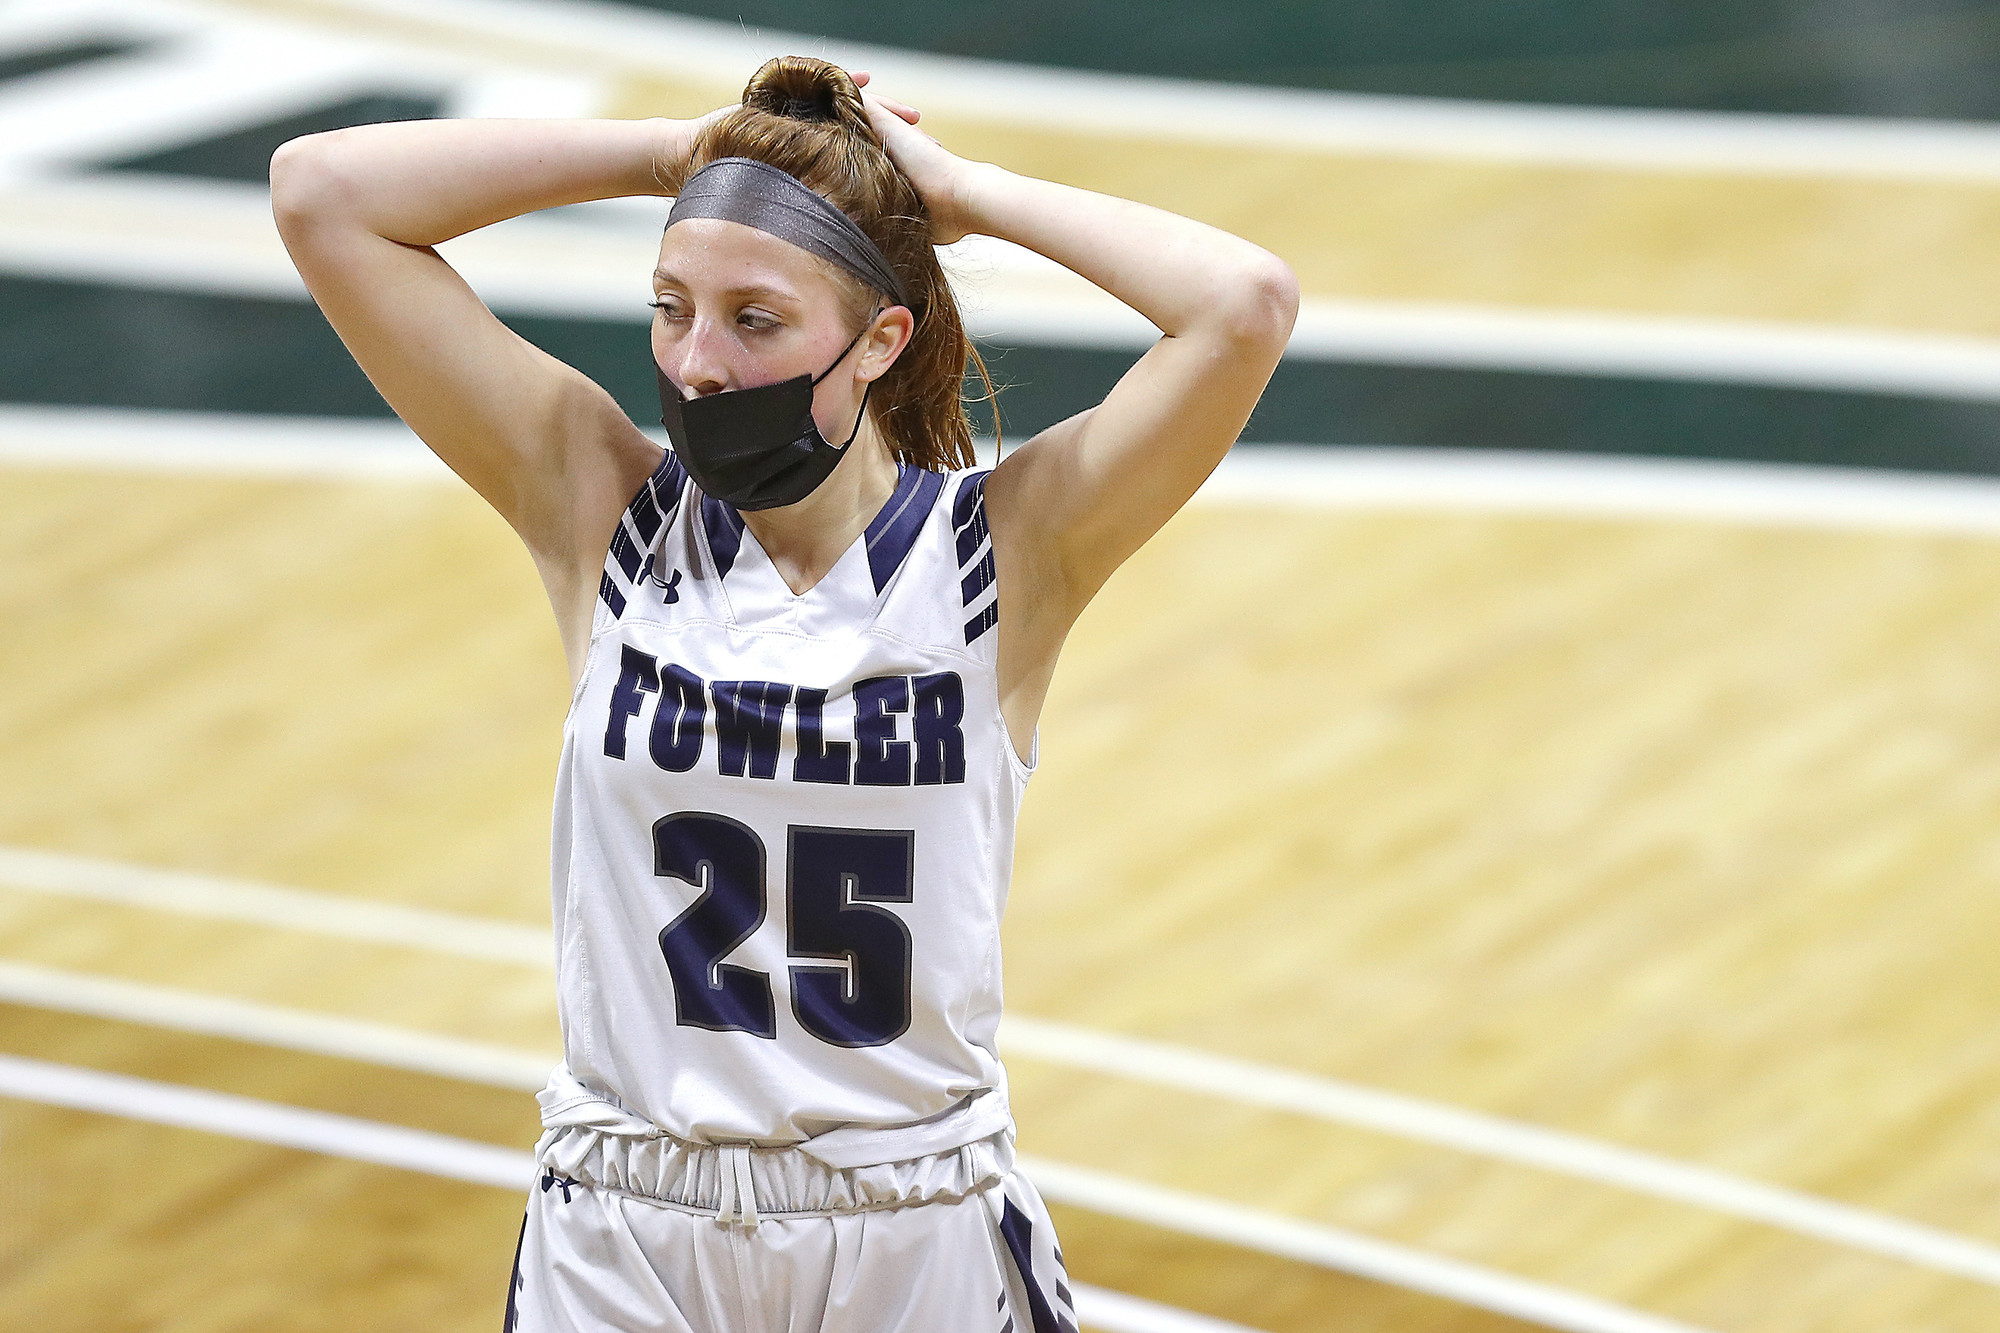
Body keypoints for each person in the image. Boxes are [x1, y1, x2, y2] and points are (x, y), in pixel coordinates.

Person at [271, 54, 1296, 1333]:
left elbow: (1242, 304)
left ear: (878, 339)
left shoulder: (1004, 556)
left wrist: (956, 191)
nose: (695, 362)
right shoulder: (602, 512)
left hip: (910, 1226)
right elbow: (321, 193)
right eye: (669, 306)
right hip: (624, 1223)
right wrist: (679, 156)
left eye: (754, 319)